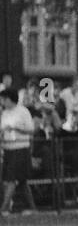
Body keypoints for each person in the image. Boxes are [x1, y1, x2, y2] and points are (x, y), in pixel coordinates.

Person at [1, 87, 38, 216]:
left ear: (10, 99)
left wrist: (15, 128)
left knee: (12, 179)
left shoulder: (23, 111)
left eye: (4, 99)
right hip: (8, 148)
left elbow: (31, 130)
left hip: (20, 147)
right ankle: (31, 207)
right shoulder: (5, 113)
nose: (2, 102)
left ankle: (4, 208)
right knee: (21, 180)